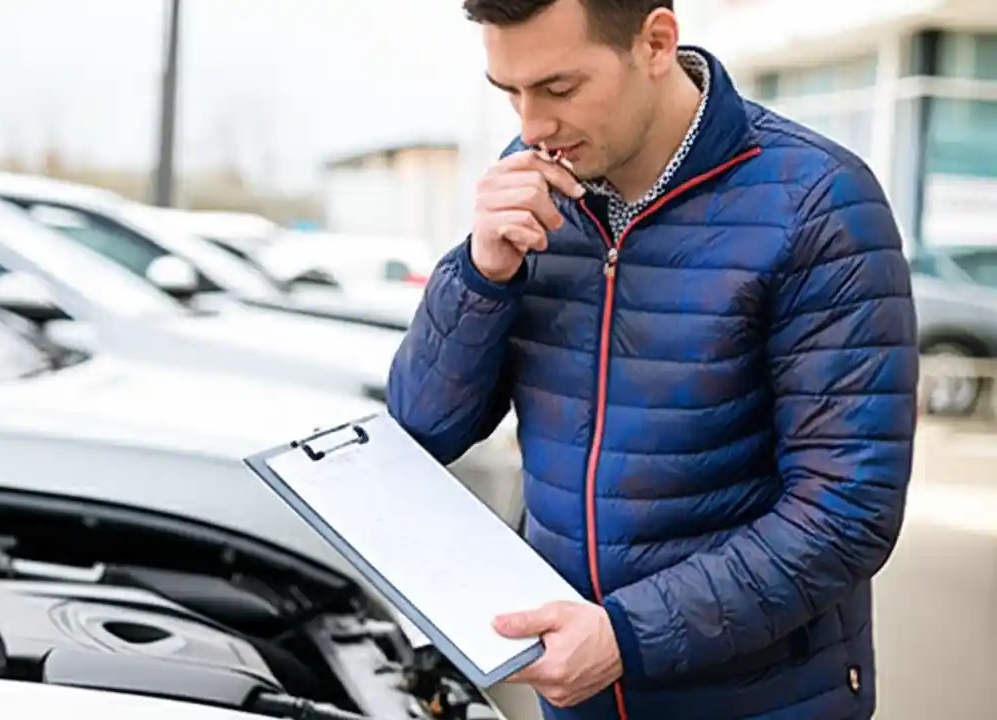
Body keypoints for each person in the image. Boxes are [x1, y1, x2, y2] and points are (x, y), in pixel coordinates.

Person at [385, 1, 919, 719]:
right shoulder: (532, 187)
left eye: (559, 88)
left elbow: (845, 511)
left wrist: (626, 638)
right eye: (509, 92)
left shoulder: (817, 202)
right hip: (580, 696)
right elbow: (423, 426)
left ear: (657, 42)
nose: (531, 126)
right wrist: (482, 274)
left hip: (765, 701)